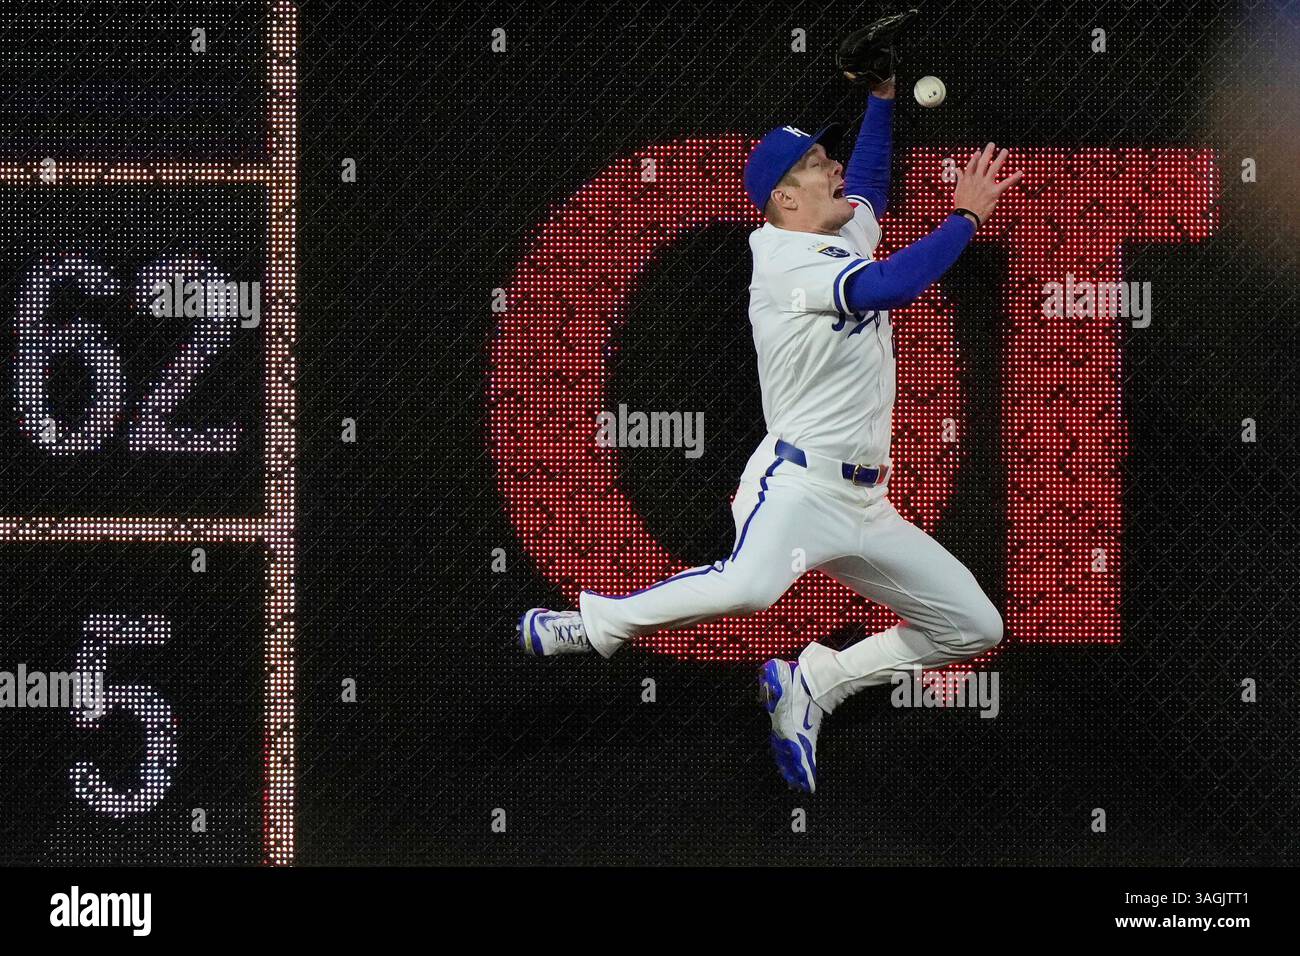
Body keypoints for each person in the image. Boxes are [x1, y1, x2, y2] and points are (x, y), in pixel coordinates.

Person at [517, 74, 1023, 792]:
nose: (836, 170)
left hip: (867, 505)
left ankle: (818, 681)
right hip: (799, 486)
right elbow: (889, 288)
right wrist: (964, 219)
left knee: (974, 627)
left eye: (829, 159)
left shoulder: (837, 228)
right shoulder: (781, 260)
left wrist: (880, 99)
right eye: (818, 166)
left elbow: (871, 185)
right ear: (784, 197)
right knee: (752, 587)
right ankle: (595, 625)